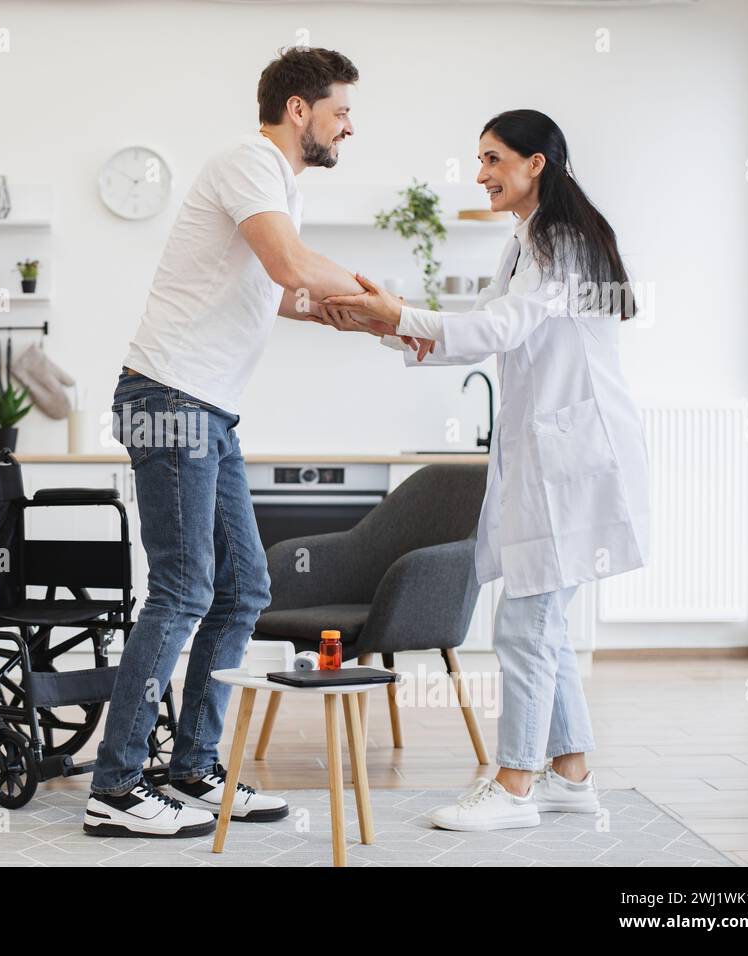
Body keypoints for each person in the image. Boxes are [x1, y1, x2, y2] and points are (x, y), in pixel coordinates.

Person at [322, 109, 649, 831]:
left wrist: (401, 309)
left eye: (494, 159)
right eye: (479, 160)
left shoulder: (561, 243)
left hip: (575, 459)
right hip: (553, 460)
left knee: (526, 622)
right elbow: (478, 337)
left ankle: (514, 786)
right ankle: (570, 774)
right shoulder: (530, 242)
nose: (480, 174)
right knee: (544, 621)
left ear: (538, 163)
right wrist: (386, 324)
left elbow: (499, 329)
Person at [84, 46, 372, 838]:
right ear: (299, 109)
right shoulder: (249, 160)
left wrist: (341, 313)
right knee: (183, 589)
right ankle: (115, 785)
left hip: (207, 407)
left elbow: (276, 291)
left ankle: (193, 767)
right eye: (342, 110)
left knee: (244, 587)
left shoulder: (279, 188)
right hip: (171, 397)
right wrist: (382, 296)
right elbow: (288, 265)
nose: (351, 126)